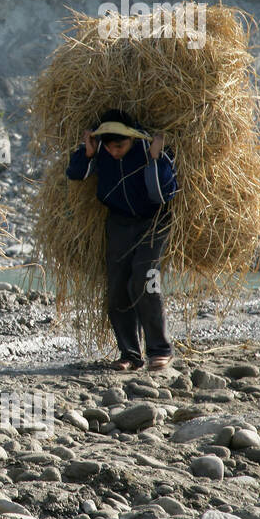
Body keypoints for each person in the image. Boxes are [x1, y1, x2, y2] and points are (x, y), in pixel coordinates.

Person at [66, 108, 178, 370]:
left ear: (132, 139)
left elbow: (163, 194)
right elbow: (74, 173)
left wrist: (155, 157)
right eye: (110, 146)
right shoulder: (101, 152)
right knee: (116, 288)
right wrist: (89, 153)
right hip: (118, 224)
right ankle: (130, 354)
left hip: (153, 223)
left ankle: (160, 349)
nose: (115, 151)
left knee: (145, 280)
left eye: (121, 145)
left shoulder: (151, 151)